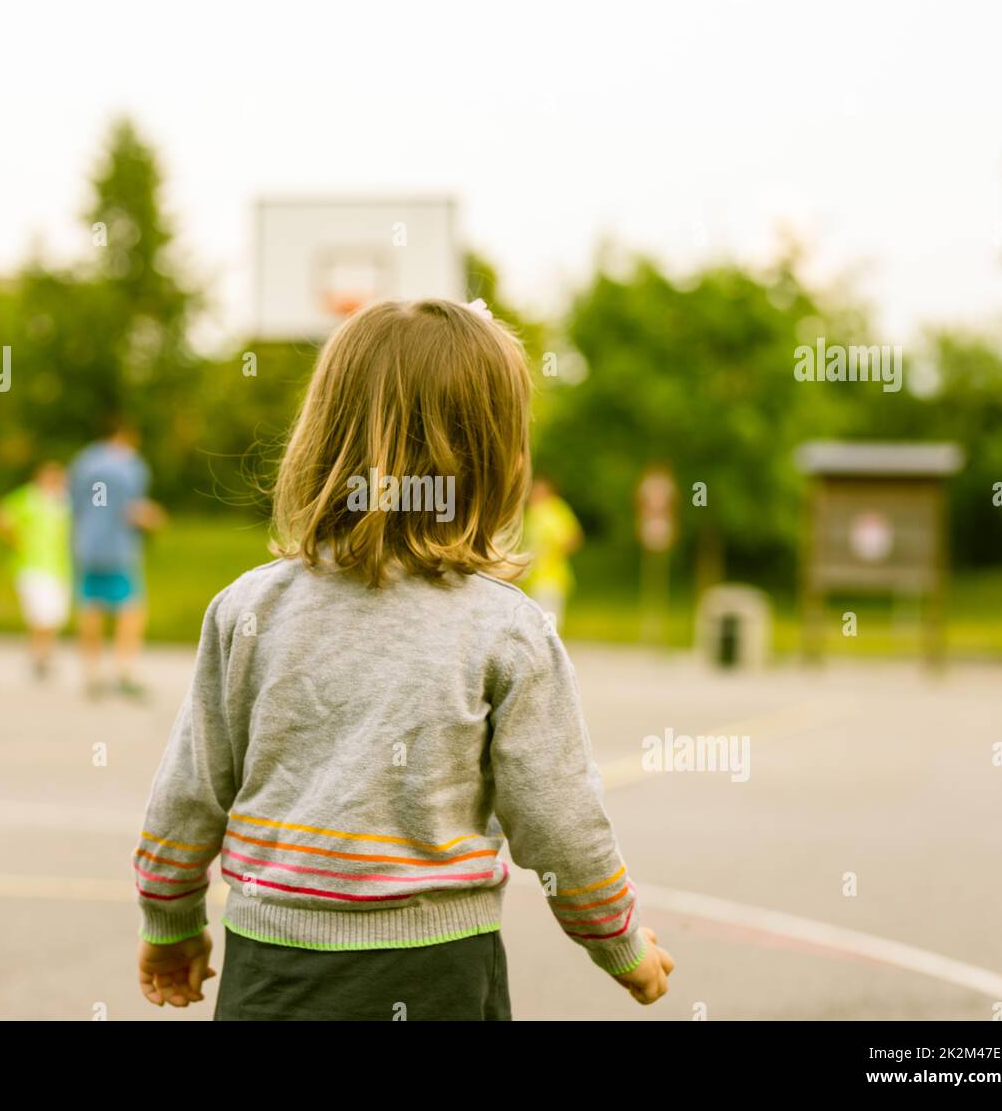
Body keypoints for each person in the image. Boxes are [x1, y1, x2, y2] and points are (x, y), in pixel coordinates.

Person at [132, 299, 674, 1020]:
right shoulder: (505, 627)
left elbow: (189, 791)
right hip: (437, 973)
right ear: (499, 463)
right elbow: (558, 820)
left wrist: (169, 924)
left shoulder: (249, 608)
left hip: (272, 972)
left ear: (319, 441)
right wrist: (621, 942)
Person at [68, 417, 165, 699]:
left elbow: (73, 505)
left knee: (91, 607)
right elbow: (131, 509)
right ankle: (124, 671)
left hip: (87, 545)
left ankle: (92, 673)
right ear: (126, 435)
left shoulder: (84, 462)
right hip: (120, 548)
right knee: (130, 610)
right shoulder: (130, 466)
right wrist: (153, 519)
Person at [0, 461, 72, 680]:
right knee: (40, 614)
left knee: (55, 616)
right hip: (31, 565)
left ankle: (45, 655)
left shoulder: (65, 501)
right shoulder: (28, 497)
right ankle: (37, 656)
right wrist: (14, 538)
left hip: (60, 567)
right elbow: (0, 514)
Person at [520, 475, 584, 634]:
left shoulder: (553, 510)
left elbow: (573, 537)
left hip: (550, 578)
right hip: (534, 578)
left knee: (548, 625)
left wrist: (550, 555)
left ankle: (548, 656)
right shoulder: (533, 514)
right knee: (536, 623)